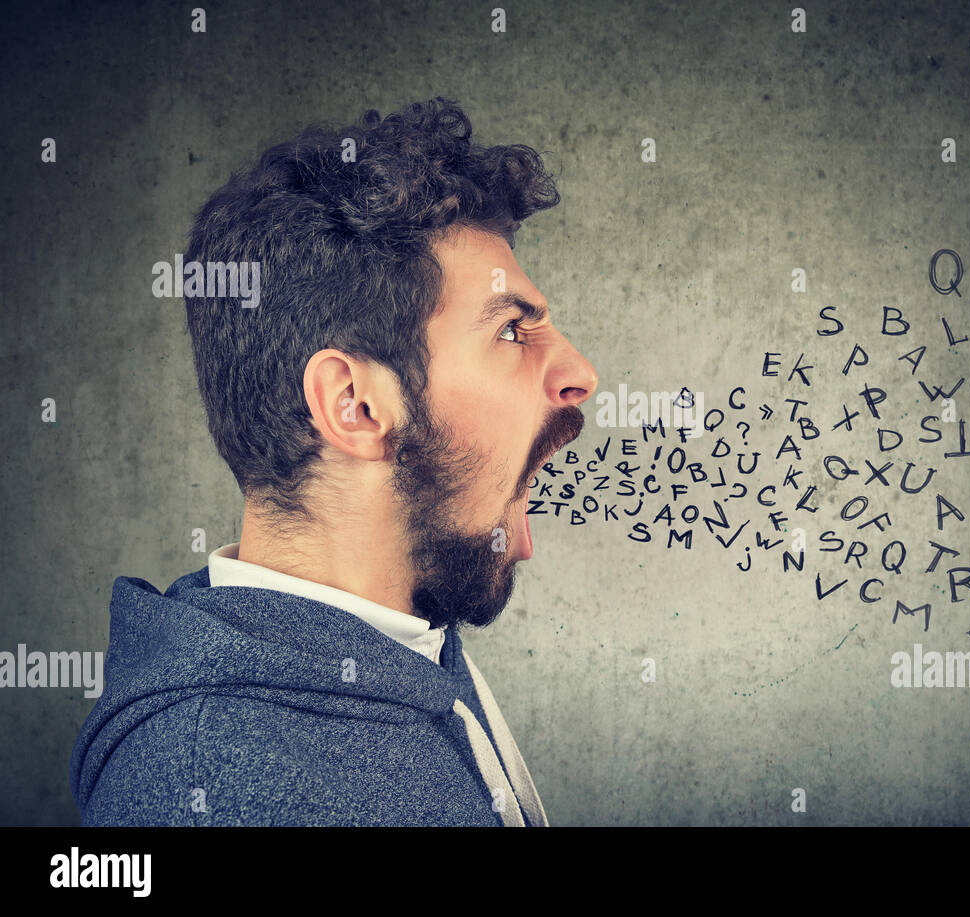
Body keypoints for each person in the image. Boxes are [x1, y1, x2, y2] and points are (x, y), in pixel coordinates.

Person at [69, 98, 598, 826]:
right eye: (512, 331)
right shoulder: (205, 792)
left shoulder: (409, 636)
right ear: (353, 405)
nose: (579, 372)